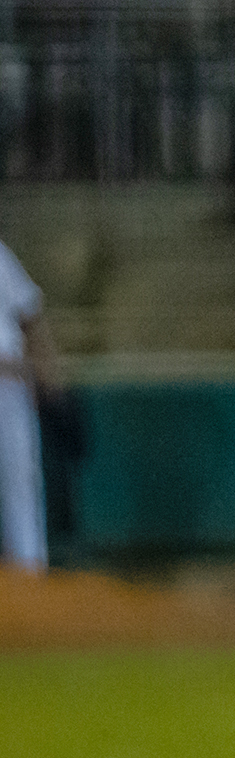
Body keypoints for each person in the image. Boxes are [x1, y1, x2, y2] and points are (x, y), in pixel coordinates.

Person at [0, 237, 61, 574]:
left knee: (20, 483)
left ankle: (29, 574)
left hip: (9, 387)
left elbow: (30, 314)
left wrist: (50, 379)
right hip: (8, 377)